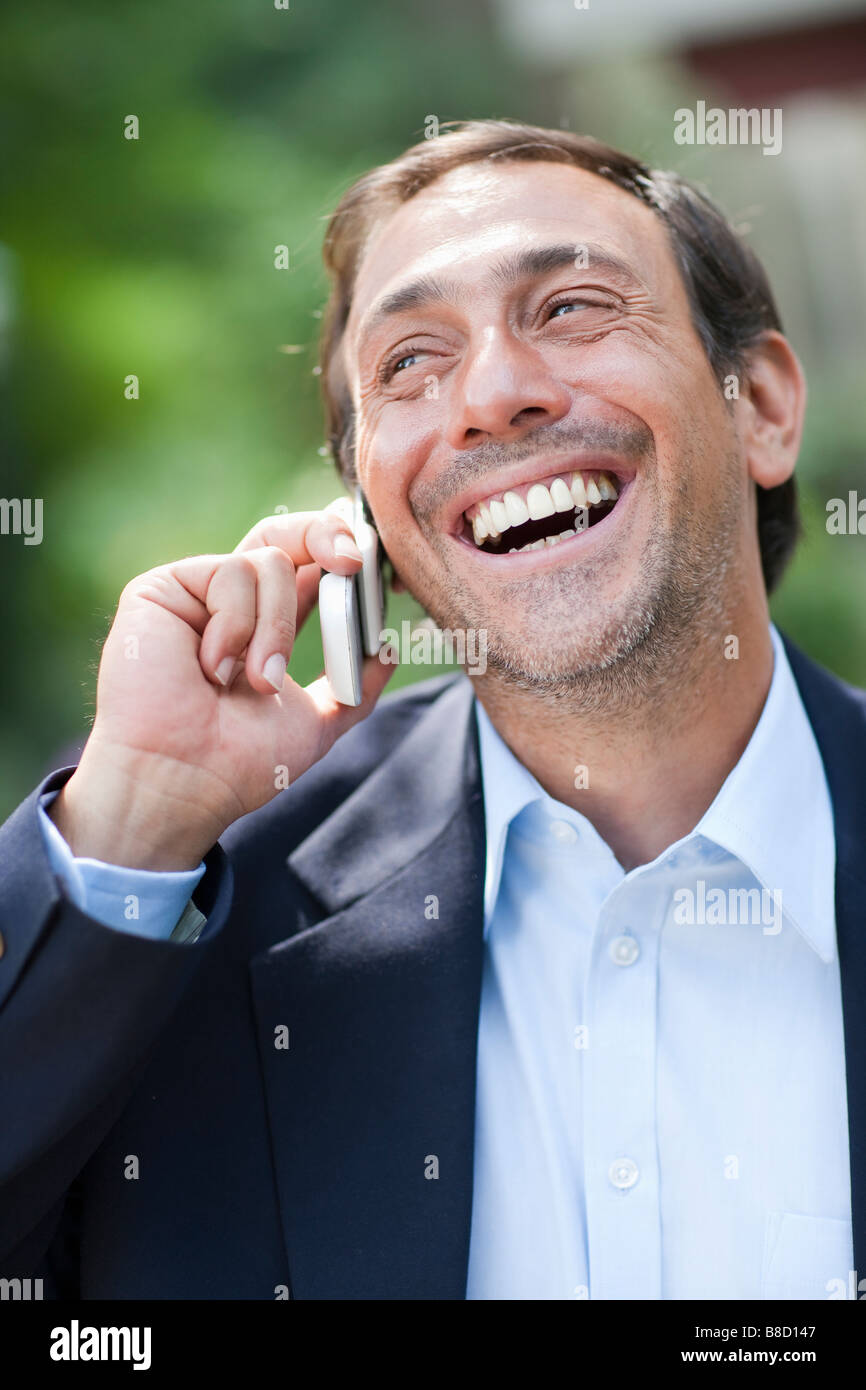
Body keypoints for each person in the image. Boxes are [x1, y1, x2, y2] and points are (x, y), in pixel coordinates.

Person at [1, 119, 864, 1301]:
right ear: (370, 512)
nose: (493, 395)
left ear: (759, 405)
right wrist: (132, 822)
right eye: (409, 360)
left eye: (568, 308)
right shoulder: (182, 922)